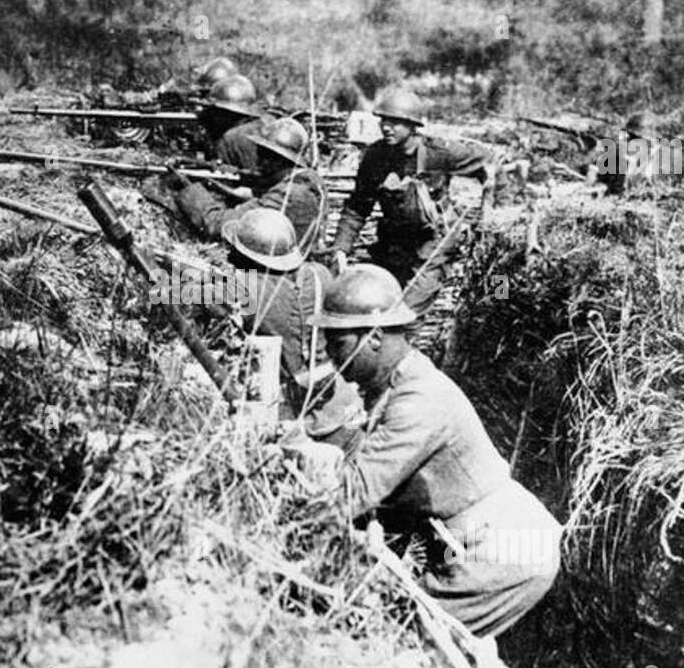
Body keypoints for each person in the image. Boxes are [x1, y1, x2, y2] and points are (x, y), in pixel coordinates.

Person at [297, 264, 561, 639]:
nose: (330, 356)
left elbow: (353, 494)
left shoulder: (419, 401)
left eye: (337, 342)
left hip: (504, 552)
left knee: (398, 644)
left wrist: (295, 507)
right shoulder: (398, 384)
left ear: (373, 337)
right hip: (481, 542)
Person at [326, 88, 487, 339]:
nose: (386, 127)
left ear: (413, 125)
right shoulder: (375, 157)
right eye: (383, 121)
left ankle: (400, 364)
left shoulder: (439, 153)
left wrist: (493, 212)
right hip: (394, 243)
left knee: (406, 314)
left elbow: (491, 162)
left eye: (395, 122)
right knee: (372, 304)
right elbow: (358, 207)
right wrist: (340, 248)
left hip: (432, 244)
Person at [221, 209, 361, 446]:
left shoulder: (243, 288)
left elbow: (176, 291)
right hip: (340, 406)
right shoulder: (320, 275)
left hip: (290, 419)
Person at [174, 116, 326, 250]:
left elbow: (218, 224)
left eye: (262, 153)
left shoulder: (291, 195)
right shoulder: (304, 181)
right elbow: (252, 185)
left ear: (275, 159)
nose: (258, 159)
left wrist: (190, 190)